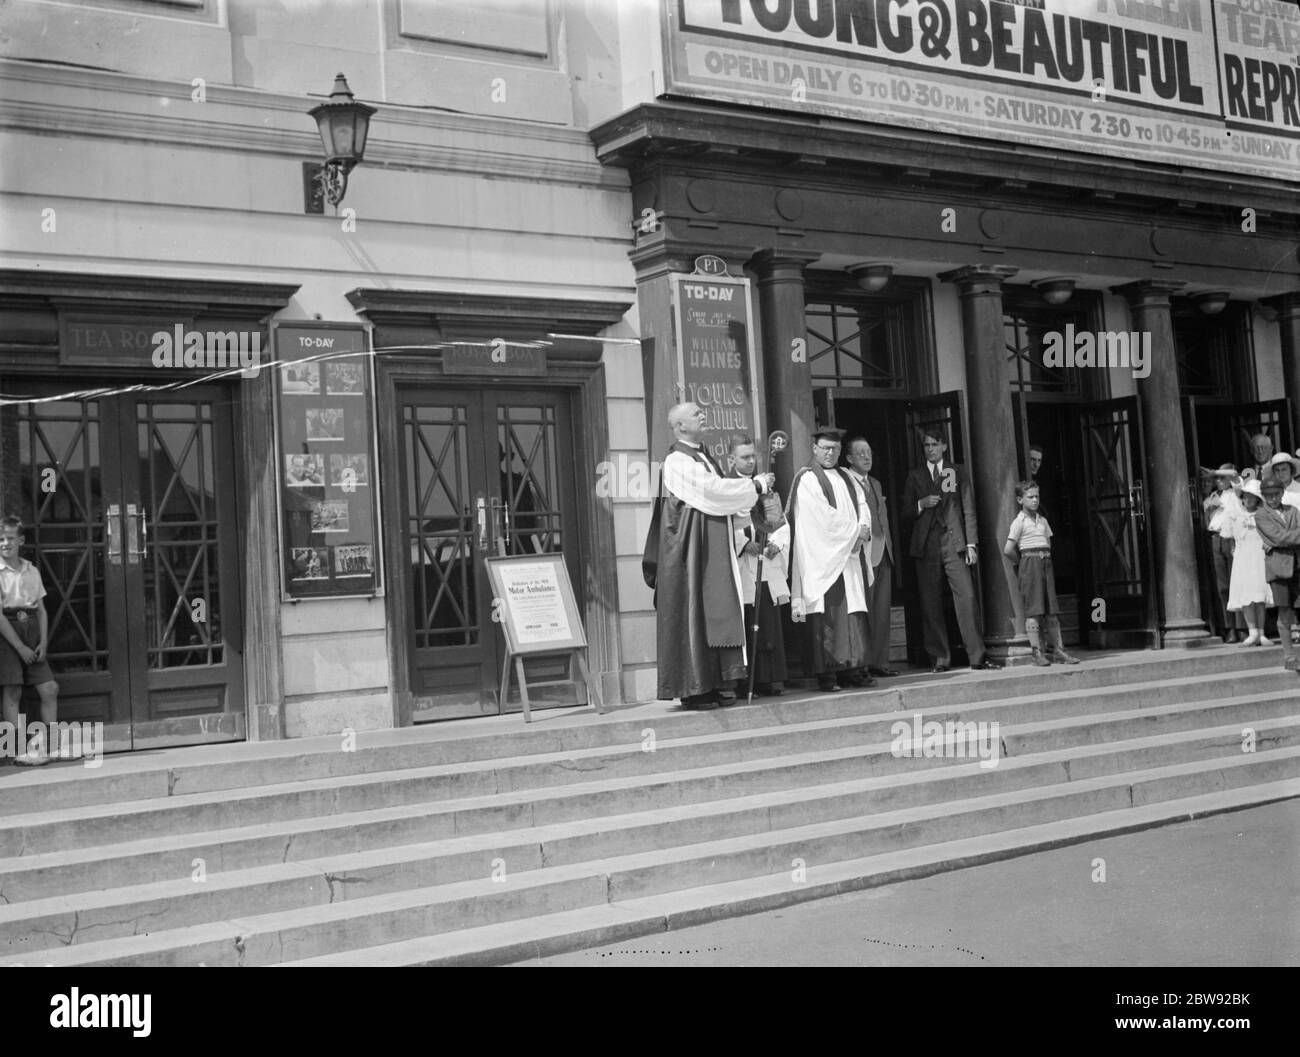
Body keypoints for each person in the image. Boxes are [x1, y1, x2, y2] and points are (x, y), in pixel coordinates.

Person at [643, 403, 775, 710]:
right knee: (694, 610)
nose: (703, 415)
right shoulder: (678, 459)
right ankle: (695, 686)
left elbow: (718, 496)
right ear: (680, 426)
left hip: (708, 545)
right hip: (690, 550)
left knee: (710, 609)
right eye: (695, 413)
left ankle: (714, 682)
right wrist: (753, 484)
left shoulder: (702, 455)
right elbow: (711, 492)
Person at [901, 429, 996, 672]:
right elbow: (905, 513)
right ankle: (940, 659)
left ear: (944, 446)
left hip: (954, 544)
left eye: (934, 444)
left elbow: (966, 508)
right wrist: (920, 504)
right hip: (926, 546)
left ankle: (977, 656)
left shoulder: (954, 471)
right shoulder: (915, 475)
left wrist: (971, 544)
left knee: (966, 597)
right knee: (930, 603)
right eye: (926, 445)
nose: (930, 449)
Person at [787, 428, 874, 693]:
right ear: (814, 448)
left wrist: (864, 528)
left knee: (853, 610)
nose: (830, 453)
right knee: (828, 613)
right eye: (825, 448)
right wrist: (854, 532)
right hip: (823, 558)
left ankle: (853, 669)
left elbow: (863, 506)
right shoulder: (807, 479)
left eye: (835, 449)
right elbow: (820, 518)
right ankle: (828, 674)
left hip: (849, 555)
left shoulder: (848, 476)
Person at [728, 437, 789, 696]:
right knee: (748, 621)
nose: (750, 461)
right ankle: (747, 680)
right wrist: (742, 543)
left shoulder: (767, 489)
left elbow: (779, 520)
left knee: (768, 622)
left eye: (752, 456)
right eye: (744, 457)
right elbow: (725, 524)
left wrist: (777, 542)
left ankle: (770, 678)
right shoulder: (728, 487)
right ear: (732, 460)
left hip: (766, 559)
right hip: (744, 564)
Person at [0, 515, 61, 765]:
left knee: (49, 688)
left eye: (10, 538)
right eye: (1, 539)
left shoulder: (31, 569)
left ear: (21, 540)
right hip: (8, 633)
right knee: (12, 689)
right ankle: (17, 751)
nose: (5, 543)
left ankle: (53, 745)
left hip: (32, 628)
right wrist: (19, 646)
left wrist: (43, 642)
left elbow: (42, 609)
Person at [1003, 481, 1079, 666]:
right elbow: (1008, 549)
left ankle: (1058, 650)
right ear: (1020, 499)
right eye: (1030, 497)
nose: (1035, 500)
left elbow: (1048, 542)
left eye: (1037, 496)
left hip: (1045, 563)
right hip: (1030, 564)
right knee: (1034, 610)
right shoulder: (1019, 522)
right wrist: (1023, 563)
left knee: (1051, 610)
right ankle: (1037, 652)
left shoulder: (1043, 521)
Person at [845, 437, 898, 677]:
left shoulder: (875, 483)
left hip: (882, 552)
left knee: (882, 611)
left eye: (869, 452)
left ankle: (880, 662)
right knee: (864, 610)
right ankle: (863, 663)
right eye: (860, 453)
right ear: (849, 459)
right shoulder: (846, 483)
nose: (867, 457)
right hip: (862, 555)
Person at [1254, 477, 1300, 674]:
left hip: (1297, 565)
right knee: (1284, 611)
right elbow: (1277, 536)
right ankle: (1289, 656)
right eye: (1268, 495)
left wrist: (1280, 541)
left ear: (1282, 493)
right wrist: (1287, 539)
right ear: (1263, 496)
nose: (1273, 498)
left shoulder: (1293, 510)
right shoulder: (1261, 515)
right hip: (1278, 568)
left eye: (1276, 494)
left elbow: (1280, 539)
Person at [1203, 465, 1246, 643]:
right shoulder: (1212, 498)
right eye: (1217, 479)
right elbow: (1207, 523)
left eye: (1222, 478)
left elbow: (1235, 475)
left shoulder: (1236, 493)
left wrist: (1214, 472)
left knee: (1238, 583)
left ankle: (1243, 626)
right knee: (1223, 586)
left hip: (1233, 539)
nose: (1219, 481)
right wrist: (1209, 507)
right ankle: (1230, 628)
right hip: (1216, 538)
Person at [1228, 479, 1271, 647]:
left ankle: (1261, 632)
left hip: (1259, 556)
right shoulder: (1237, 516)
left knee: (1259, 595)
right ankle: (1252, 632)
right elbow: (1231, 535)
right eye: (1246, 496)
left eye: (1252, 497)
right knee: (1246, 595)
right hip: (1243, 557)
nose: (1248, 500)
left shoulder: (1263, 515)